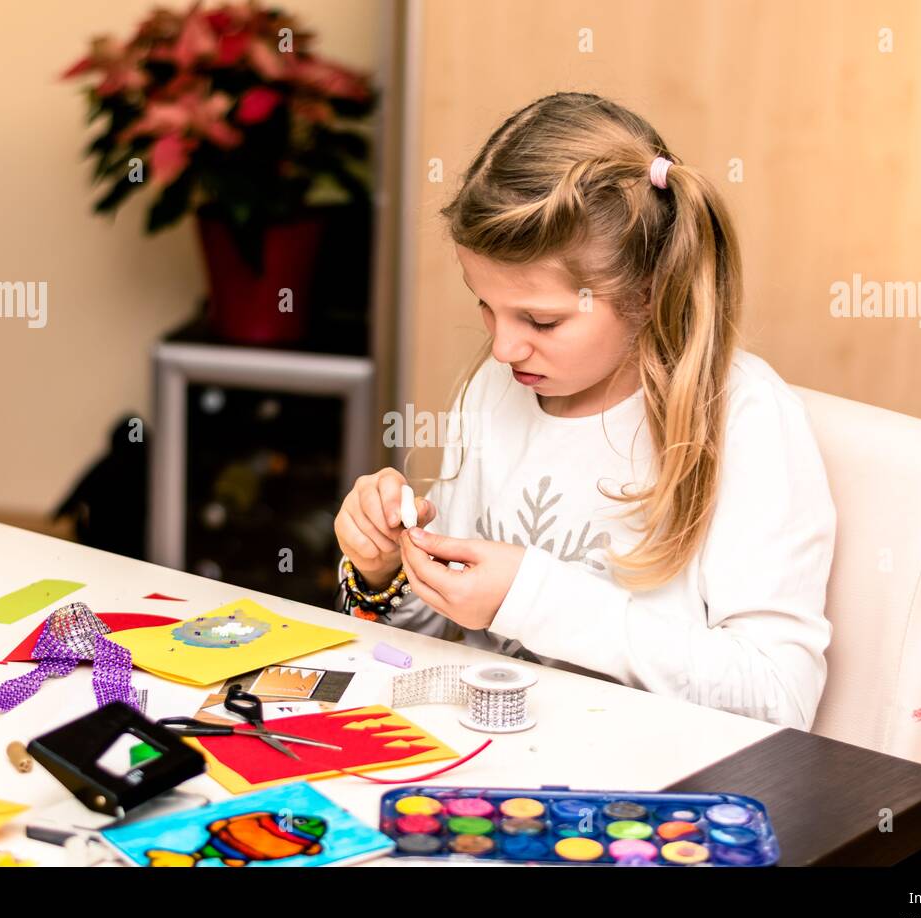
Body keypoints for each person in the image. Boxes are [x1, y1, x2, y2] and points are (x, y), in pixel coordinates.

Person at [333, 92, 836, 731]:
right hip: (502, 756)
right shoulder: (497, 388)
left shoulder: (743, 417)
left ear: (650, 293)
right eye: (484, 304)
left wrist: (533, 597)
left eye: (541, 319)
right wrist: (385, 569)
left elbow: (779, 697)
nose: (502, 346)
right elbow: (443, 628)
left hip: (653, 787)